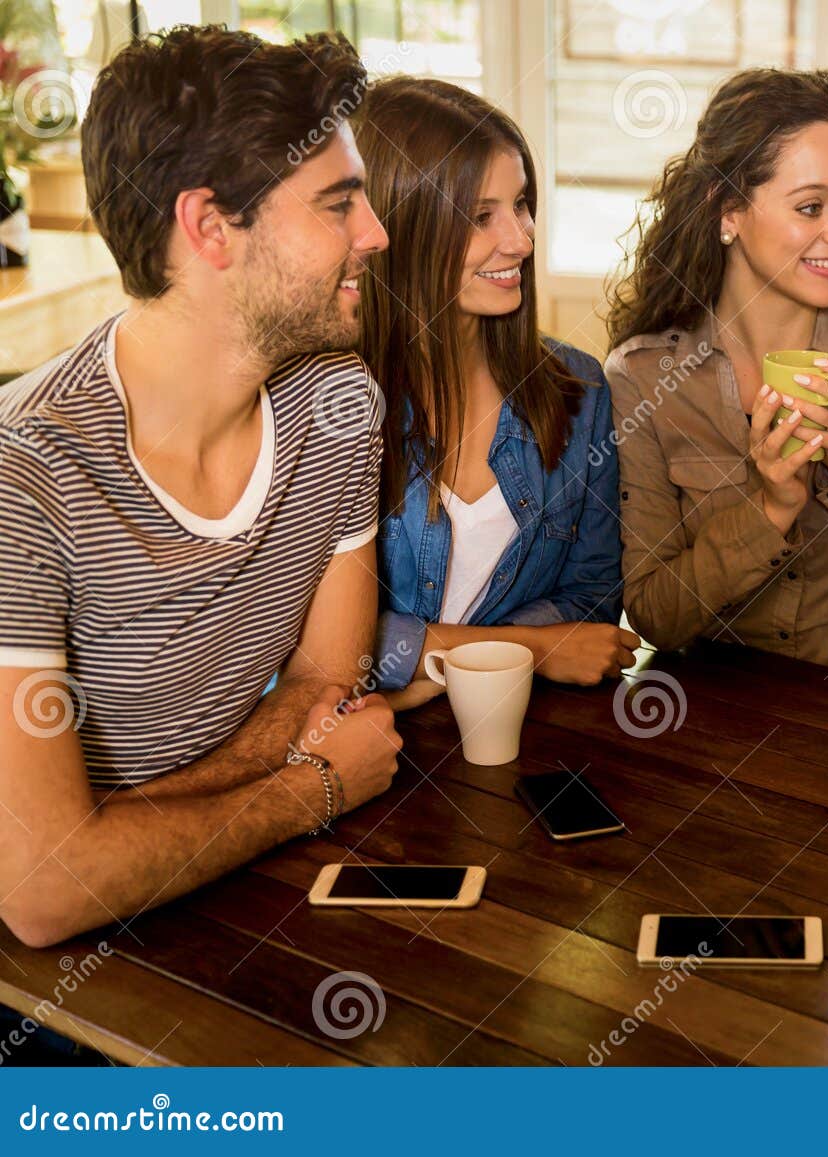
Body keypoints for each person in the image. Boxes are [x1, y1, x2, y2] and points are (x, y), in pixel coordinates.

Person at [0, 27, 400, 949]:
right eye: (339, 203)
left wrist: (111, 833)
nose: (375, 233)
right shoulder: (26, 477)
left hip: (220, 903)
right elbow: (42, 893)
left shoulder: (336, 404)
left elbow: (324, 692)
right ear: (211, 227)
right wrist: (312, 786)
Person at [604, 68, 828, 679]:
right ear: (728, 212)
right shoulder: (645, 377)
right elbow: (656, 617)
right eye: (811, 207)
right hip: (703, 718)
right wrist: (770, 508)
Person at [351, 78, 635, 706]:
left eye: (522, 205)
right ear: (401, 226)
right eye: (481, 217)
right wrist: (530, 649)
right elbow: (294, 636)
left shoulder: (580, 388)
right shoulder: (332, 402)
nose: (521, 239)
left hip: (519, 737)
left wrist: (432, 661)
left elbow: (591, 604)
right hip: (358, 749)